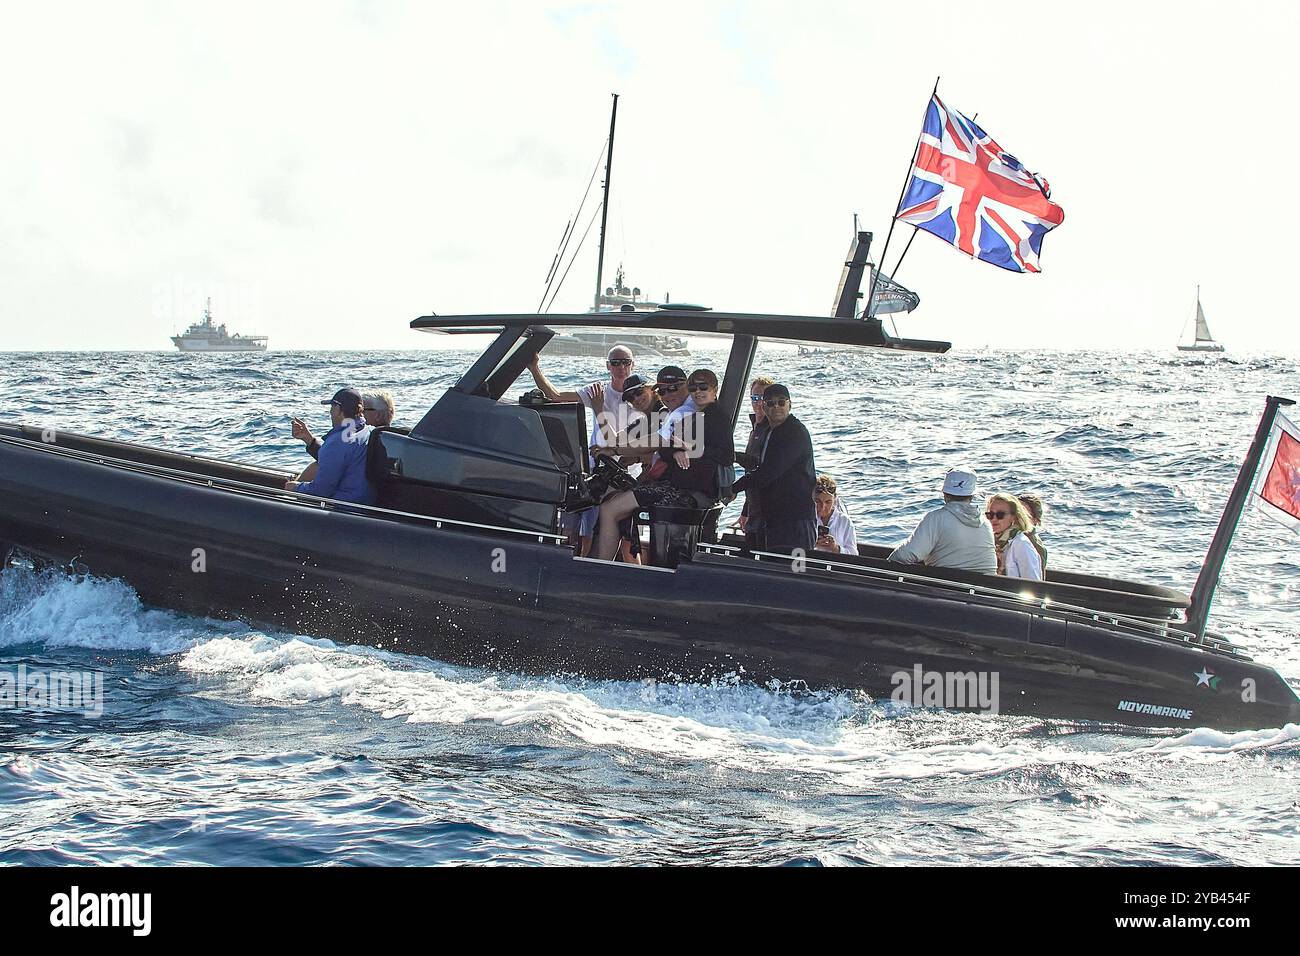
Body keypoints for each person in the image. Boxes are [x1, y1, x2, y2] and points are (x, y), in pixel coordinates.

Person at [592, 369, 734, 561]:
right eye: (663, 391)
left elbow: (724, 454)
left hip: (689, 491)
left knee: (610, 509)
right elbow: (661, 443)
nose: (668, 395)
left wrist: (689, 449)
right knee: (613, 502)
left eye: (674, 388)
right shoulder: (681, 413)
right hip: (680, 485)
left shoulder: (697, 412)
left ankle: (601, 568)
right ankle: (621, 567)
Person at [526, 346, 636, 554]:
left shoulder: (641, 395)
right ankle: (570, 559)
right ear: (608, 366)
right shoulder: (599, 391)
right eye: (615, 363)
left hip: (625, 472)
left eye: (625, 362)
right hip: (597, 469)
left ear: (633, 364)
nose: (621, 367)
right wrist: (534, 369)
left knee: (609, 530)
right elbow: (555, 396)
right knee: (575, 521)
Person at [730, 383, 817, 555]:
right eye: (770, 403)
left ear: (789, 405)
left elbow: (770, 471)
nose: (776, 406)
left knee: (791, 573)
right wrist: (732, 456)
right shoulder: (769, 431)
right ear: (764, 406)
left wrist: (734, 488)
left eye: (781, 402)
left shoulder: (794, 432)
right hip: (771, 519)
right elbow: (760, 464)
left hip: (794, 521)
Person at [888, 467, 996, 573]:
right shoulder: (985, 522)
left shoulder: (936, 518)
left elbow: (906, 555)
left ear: (945, 495)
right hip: (989, 586)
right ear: (971, 496)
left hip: (952, 586)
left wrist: (886, 564)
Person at [285, 388, 375, 505]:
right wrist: (309, 439)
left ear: (338, 409)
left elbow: (321, 491)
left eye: (332, 407)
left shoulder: (338, 441)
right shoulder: (369, 431)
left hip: (344, 510)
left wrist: (295, 488)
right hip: (364, 504)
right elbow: (340, 458)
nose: (330, 412)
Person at [292, 389, 396, 481]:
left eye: (362, 410)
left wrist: (297, 488)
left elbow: (335, 459)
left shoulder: (372, 440)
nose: (357, 413)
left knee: (316, 467)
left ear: (377, 415)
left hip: (352, 499)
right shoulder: (383, 439)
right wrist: (309, 440)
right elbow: (337, 457)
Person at [736, 374, 774, 546]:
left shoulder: (773, 430)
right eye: (755, 397)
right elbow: (751, 473)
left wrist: (732, 456)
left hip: (768, 514)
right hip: (754, 511)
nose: (759, 403)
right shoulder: (755, 429)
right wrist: (746, 511)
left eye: (763, 398)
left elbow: (759, 466)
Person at [986, 493, 1044, 580]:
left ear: (1013, 517)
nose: (994, 519)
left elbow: (1033, 583)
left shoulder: (1021, 544)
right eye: (990, 515)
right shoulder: (988, 541)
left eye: (1000, 515)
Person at [813, 474, 858, 555]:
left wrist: (836, 548)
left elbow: (854, 554)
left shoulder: (844, 521)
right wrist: (813, 544)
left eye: (828, 502)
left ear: (834, 500)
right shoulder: (805, 519)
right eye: (818, 501)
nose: (823, 507)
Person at [1016, 492, 1049, 573]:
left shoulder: (1036, 547)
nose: (1019, 517)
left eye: (1024, 514)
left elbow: (1036, 580)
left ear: (1035, 520)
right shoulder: (1010, 536)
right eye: (1016, 512)